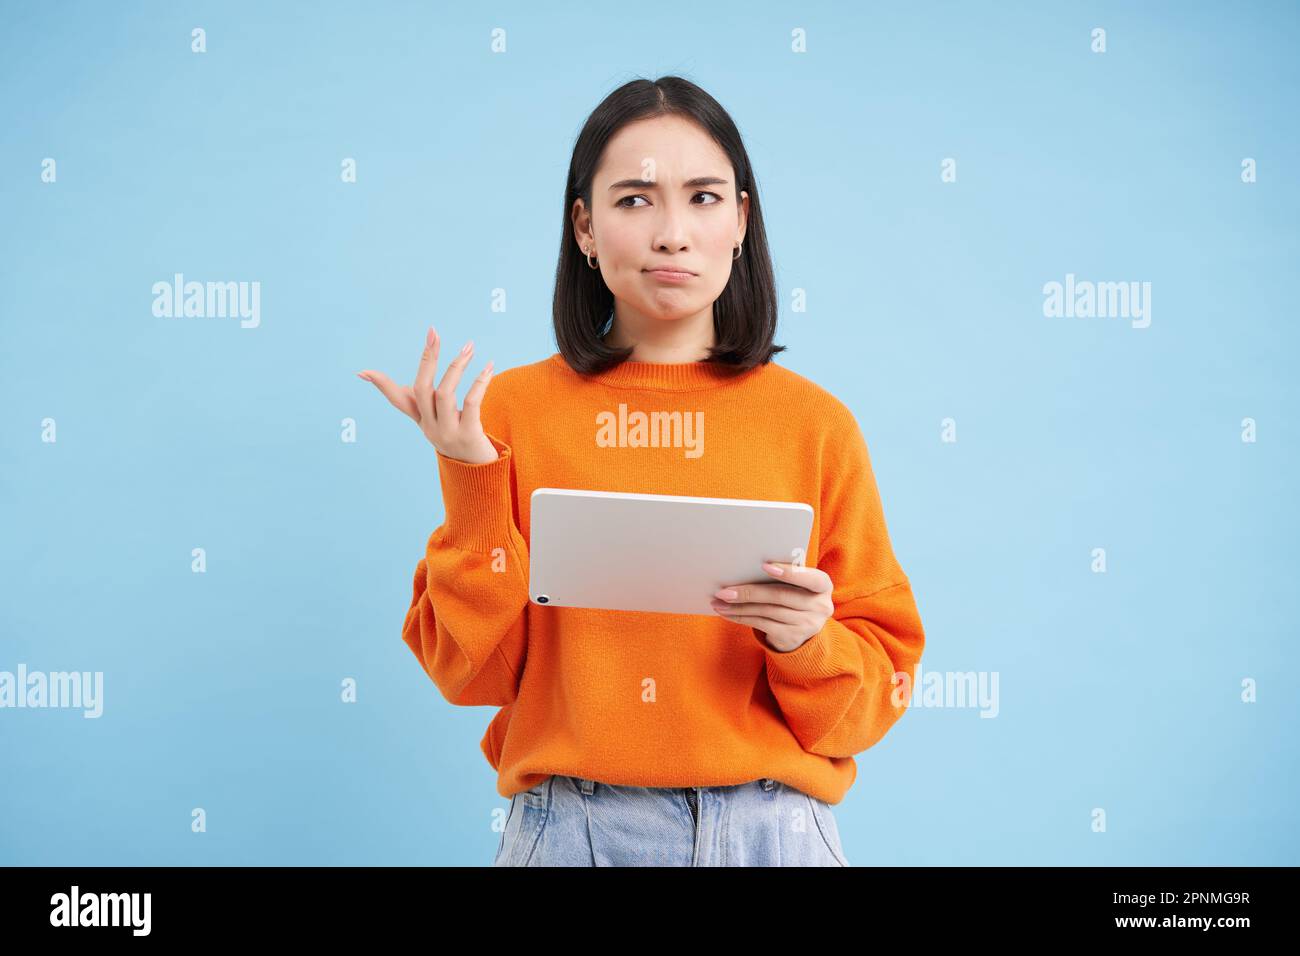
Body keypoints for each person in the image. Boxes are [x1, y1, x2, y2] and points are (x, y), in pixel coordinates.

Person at [358, 76, 926, 866]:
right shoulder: (506, 415)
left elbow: (872, 702)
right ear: (584, 228)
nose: (671, 234)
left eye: (702, 197)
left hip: (774, 834)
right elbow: (468, 674)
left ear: (740, 222)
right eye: (633, 200)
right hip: (571, 831)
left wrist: (807, 646)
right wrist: (473, 479)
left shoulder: (816, 425)